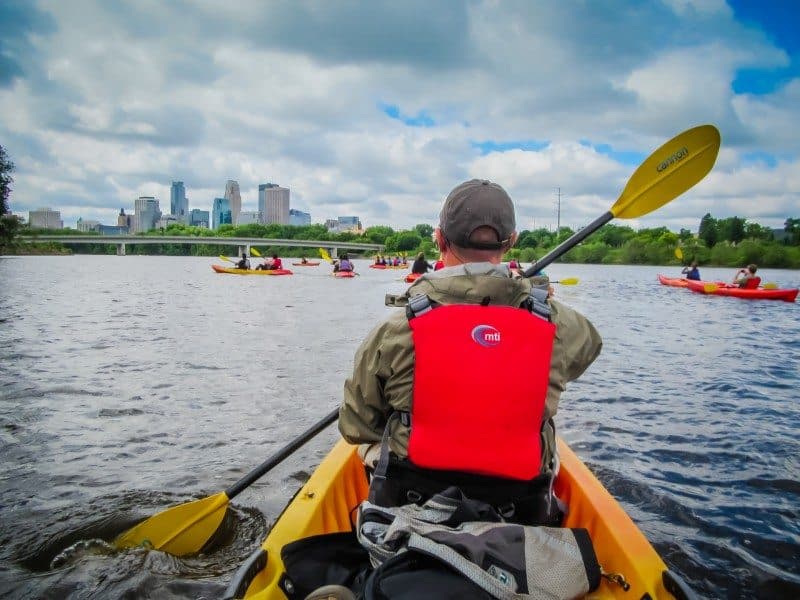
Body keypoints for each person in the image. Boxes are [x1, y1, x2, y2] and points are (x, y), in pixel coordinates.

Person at [339, 178, 602, 526]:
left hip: (413, 502)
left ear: (439, 239)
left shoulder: (395, 329)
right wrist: (533, 297)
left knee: (370, 443)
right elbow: (588, 347)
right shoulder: (557, 323)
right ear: (512, 242)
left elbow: (356, 426)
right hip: (519, 508)